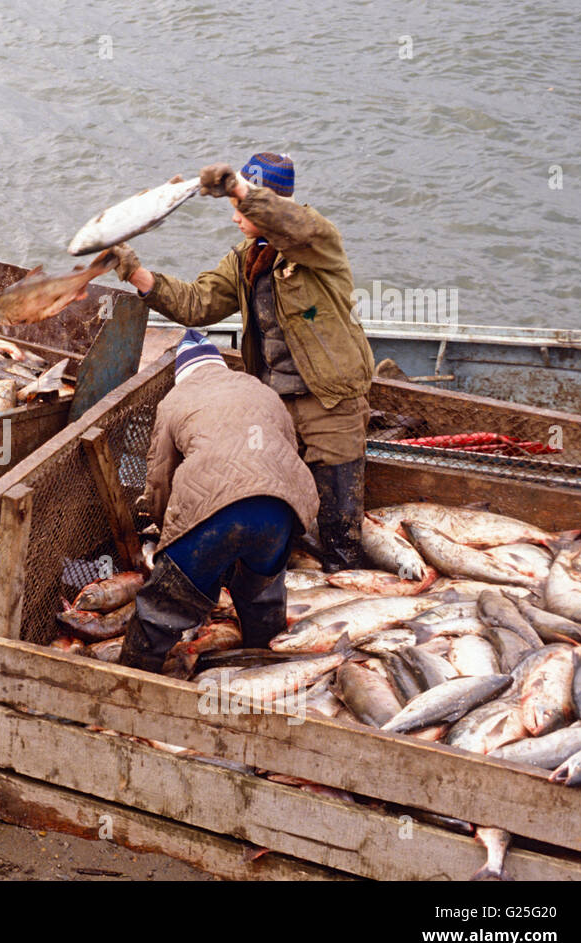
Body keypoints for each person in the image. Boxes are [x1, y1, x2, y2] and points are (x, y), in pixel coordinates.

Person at [112, 153, 374, 572]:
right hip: (272, 408)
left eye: (240, 208)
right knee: (278, 517)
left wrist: (238, 189)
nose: (235, 218)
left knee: (340, 529)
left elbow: (291, 224)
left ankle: (342, 588)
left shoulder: (317, 242)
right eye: (234, 206)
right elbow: (197, 303)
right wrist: (136, 273)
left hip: (331, 403)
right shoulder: (244, 259)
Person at [120, 331, 319, 678]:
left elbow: (160, 479)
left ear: (183, 374)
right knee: (262, 596)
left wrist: (169, 532)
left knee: (161, 609)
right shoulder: (261, 390)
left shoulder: (174, 400)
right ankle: (265, 671)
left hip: (214, 515)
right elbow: (288, 447)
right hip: (280, 509)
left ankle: (130, 683)